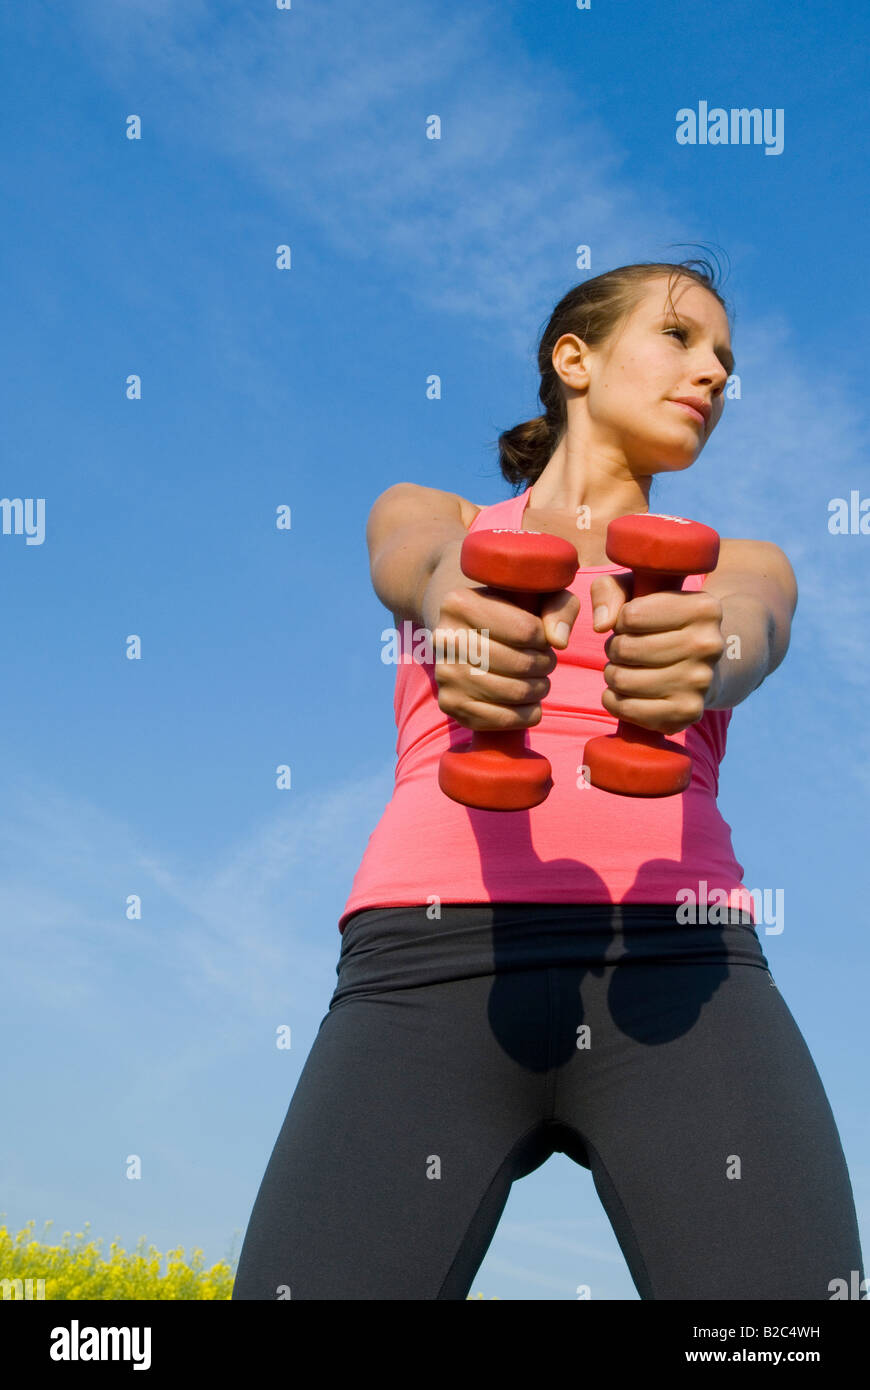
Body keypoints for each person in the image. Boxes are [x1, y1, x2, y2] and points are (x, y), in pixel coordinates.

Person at [232, 259, 864, 1300]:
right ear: (573, 358)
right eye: (679, 338)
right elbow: (416, 558)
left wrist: (710, 651)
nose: (712, 373)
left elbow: (756, 627)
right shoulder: (437, 513)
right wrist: (455, 603)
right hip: (430, 961)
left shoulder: (737, 563)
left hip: (684, 966)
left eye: (725, 360)